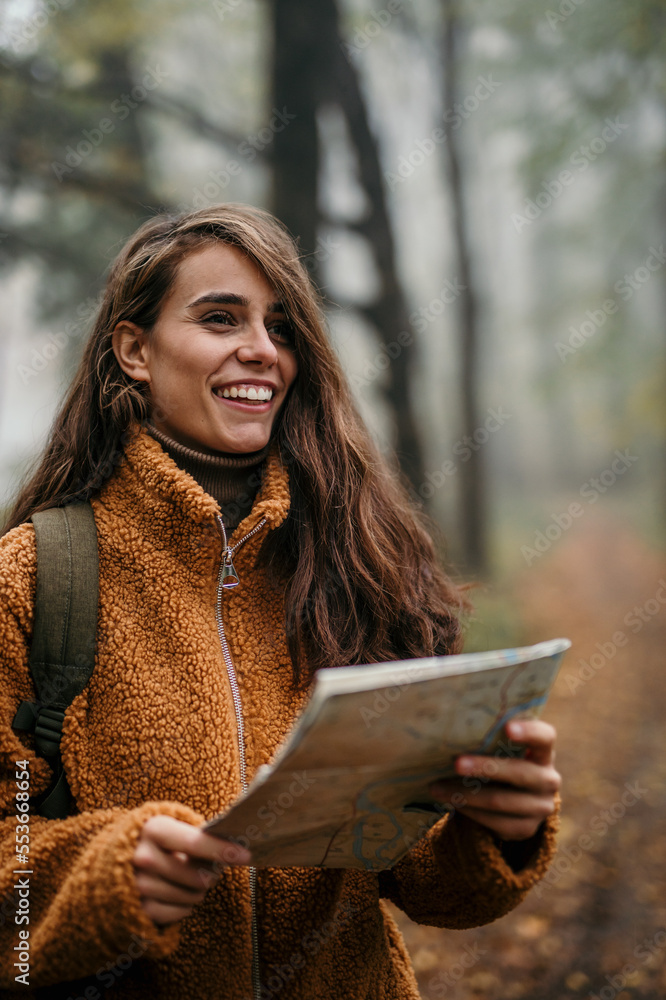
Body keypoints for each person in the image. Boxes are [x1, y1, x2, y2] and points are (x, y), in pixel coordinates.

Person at [0, 205, 560, 1000]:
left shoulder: (354, 561)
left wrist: (495, 826)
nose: (262, 350)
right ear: (133, 350)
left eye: (282, 326)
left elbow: (423, 879)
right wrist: (104, 870)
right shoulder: (31, 581)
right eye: (220, 318)